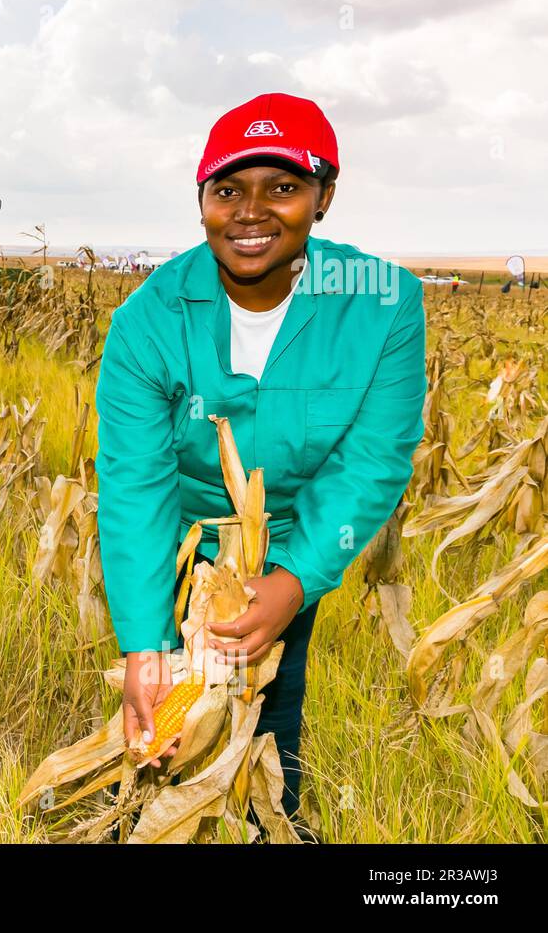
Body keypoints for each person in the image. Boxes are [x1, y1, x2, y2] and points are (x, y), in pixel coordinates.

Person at [94, 93, 426, 839]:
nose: (250, 212)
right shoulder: (149, 317)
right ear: (202, 202)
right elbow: (135, 482)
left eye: (282, 187)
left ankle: (276, 818)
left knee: (273, 714)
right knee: (163, 730)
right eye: (227, 190)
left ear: (324, 197)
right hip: (178, 544)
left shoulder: (384, 305)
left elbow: (372, 461)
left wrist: (292, 582)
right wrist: (145, 644)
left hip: (291, 543)